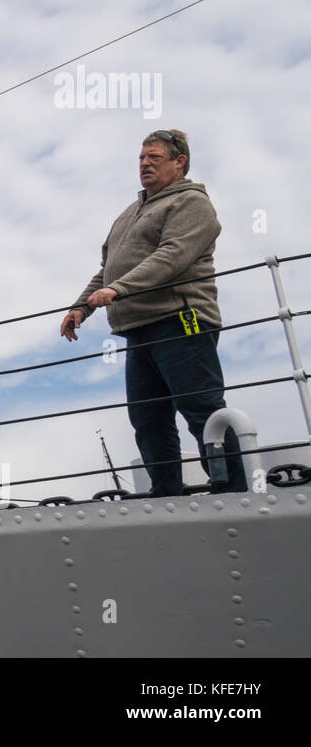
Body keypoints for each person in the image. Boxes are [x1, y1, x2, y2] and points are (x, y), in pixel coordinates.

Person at [61, 129, 247, 496]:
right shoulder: (130, 213)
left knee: (201, 408)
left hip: (181, 318)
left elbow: (172, 256)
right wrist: (81, 306)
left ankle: (234, 490)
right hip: (138, 328)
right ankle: (166, 494)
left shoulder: (192, 203)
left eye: (154, 158)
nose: (145, 164)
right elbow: (108, 268)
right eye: (142, 158)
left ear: (180, 163)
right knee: (148, 420)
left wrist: (119, 289)